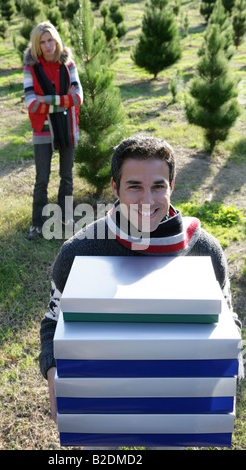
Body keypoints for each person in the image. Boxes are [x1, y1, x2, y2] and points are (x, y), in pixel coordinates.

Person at [39, 135, 244, 432]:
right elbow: (52, 322)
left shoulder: (205, 250)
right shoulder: (78, 251)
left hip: (177, 405)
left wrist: (227, 372)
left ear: (172, 187)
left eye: (158, 186)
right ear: (114, 187)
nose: (147, 201)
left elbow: (228, 321)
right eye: (134, 186)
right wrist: (54, 371)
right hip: (96, 402)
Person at [23, 21, 83, 240]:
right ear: (37, 45)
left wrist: (45, 99)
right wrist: (63, 101)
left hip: (67, 127)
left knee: (66, 177)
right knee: (42, 178)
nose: (48, 46)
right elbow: (31, 104)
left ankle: (65, 219)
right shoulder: (31, 67)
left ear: (56, 40)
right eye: (42, 42)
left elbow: (78, 98)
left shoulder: (68, 64)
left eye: (50, 40)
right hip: (42, 129)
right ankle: (37, 223)